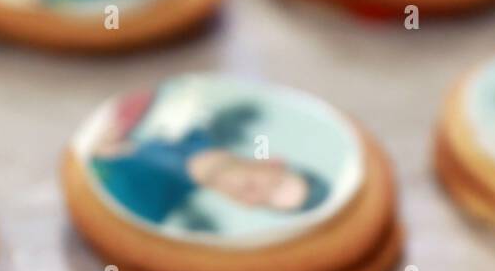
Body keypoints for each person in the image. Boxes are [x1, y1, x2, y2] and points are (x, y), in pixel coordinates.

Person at [88, 88, 331, 229]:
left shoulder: (147, 210)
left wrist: (94, 152)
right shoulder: (195, 101)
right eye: (277, 185)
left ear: (247, 205)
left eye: (266, 201)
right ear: (273, 163)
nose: (256, 191)